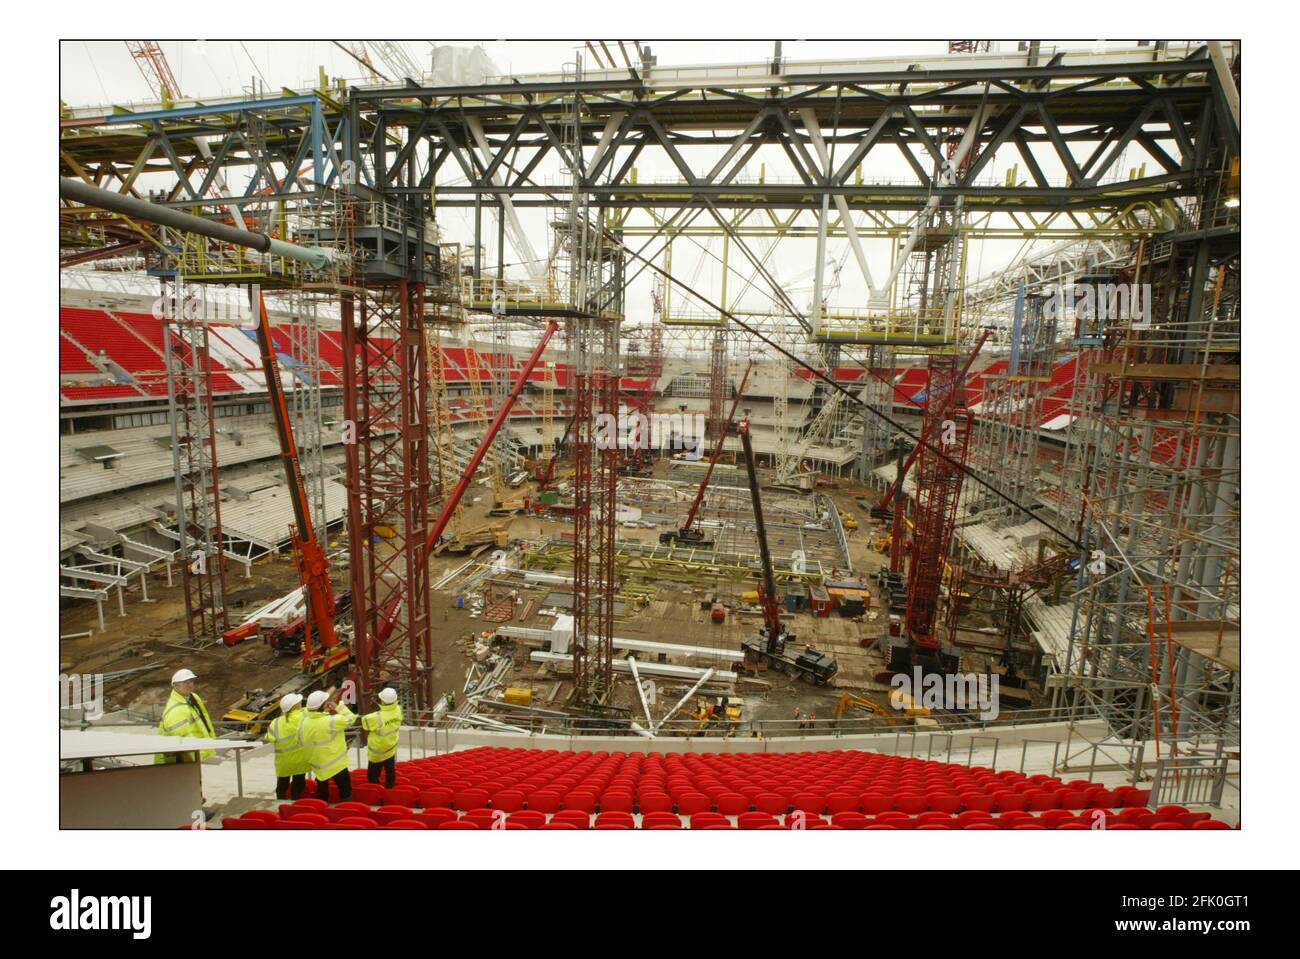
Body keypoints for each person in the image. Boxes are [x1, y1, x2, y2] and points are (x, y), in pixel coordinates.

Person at [300, 690, 356, 803]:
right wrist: (339, 707)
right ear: (325, 704)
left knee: (322, 792)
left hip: (318, 766)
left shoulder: (303, 722)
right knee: (345, 791)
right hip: (336, 764)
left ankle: (321, 809)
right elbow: (351, 718)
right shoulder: (332, 721)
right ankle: (346, 809)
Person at [154, 668, 216, 764]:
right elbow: (184, 739)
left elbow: (204, 721)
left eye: (191, 681)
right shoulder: (176, 710)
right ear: (175, 686)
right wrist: (200, 755)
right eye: (185, 682)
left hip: (194, 754)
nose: (190, 685)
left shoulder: (193, 697)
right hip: (175, 762)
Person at [265, 693, 310, 800]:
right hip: (301, 760)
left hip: (283, 762)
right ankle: (295, 804)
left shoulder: (276, 722)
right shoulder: (304, 715)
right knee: (298, 784)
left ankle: (280, 806)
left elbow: (269, 738)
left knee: (282, 786)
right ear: (296, 705)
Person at [360, 688, 403, 789]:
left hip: (377, 752)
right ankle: (389, 790)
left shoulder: (376, 717)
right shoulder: (398, 710)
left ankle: (376, 792)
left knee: (372, 775)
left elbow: (363, 724)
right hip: (390, 748)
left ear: (382, 700)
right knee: (390, 772)